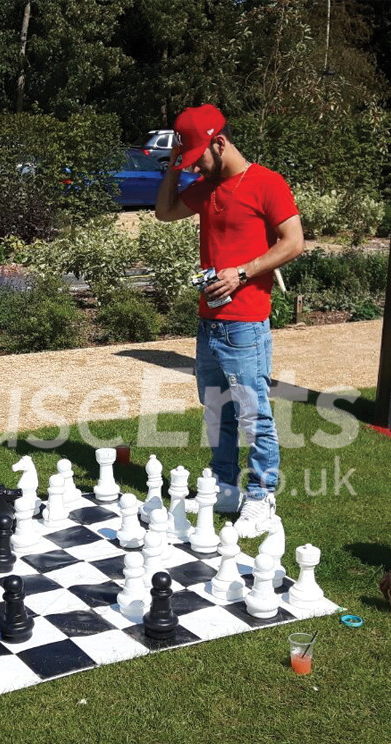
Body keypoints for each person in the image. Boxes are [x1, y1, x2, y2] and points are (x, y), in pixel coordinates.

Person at [155, 104, 304, 537]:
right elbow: (164, 213)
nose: (195, 165)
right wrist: (173, 167)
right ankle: (224, 484)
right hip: (209, 322)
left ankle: (262, 497)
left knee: (253, 414)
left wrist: (241, 271)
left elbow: (293, 242)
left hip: (245, 324)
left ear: (220, 143)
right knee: (217, 410)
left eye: (199, 156)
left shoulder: (266, 183)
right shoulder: (206, 186)